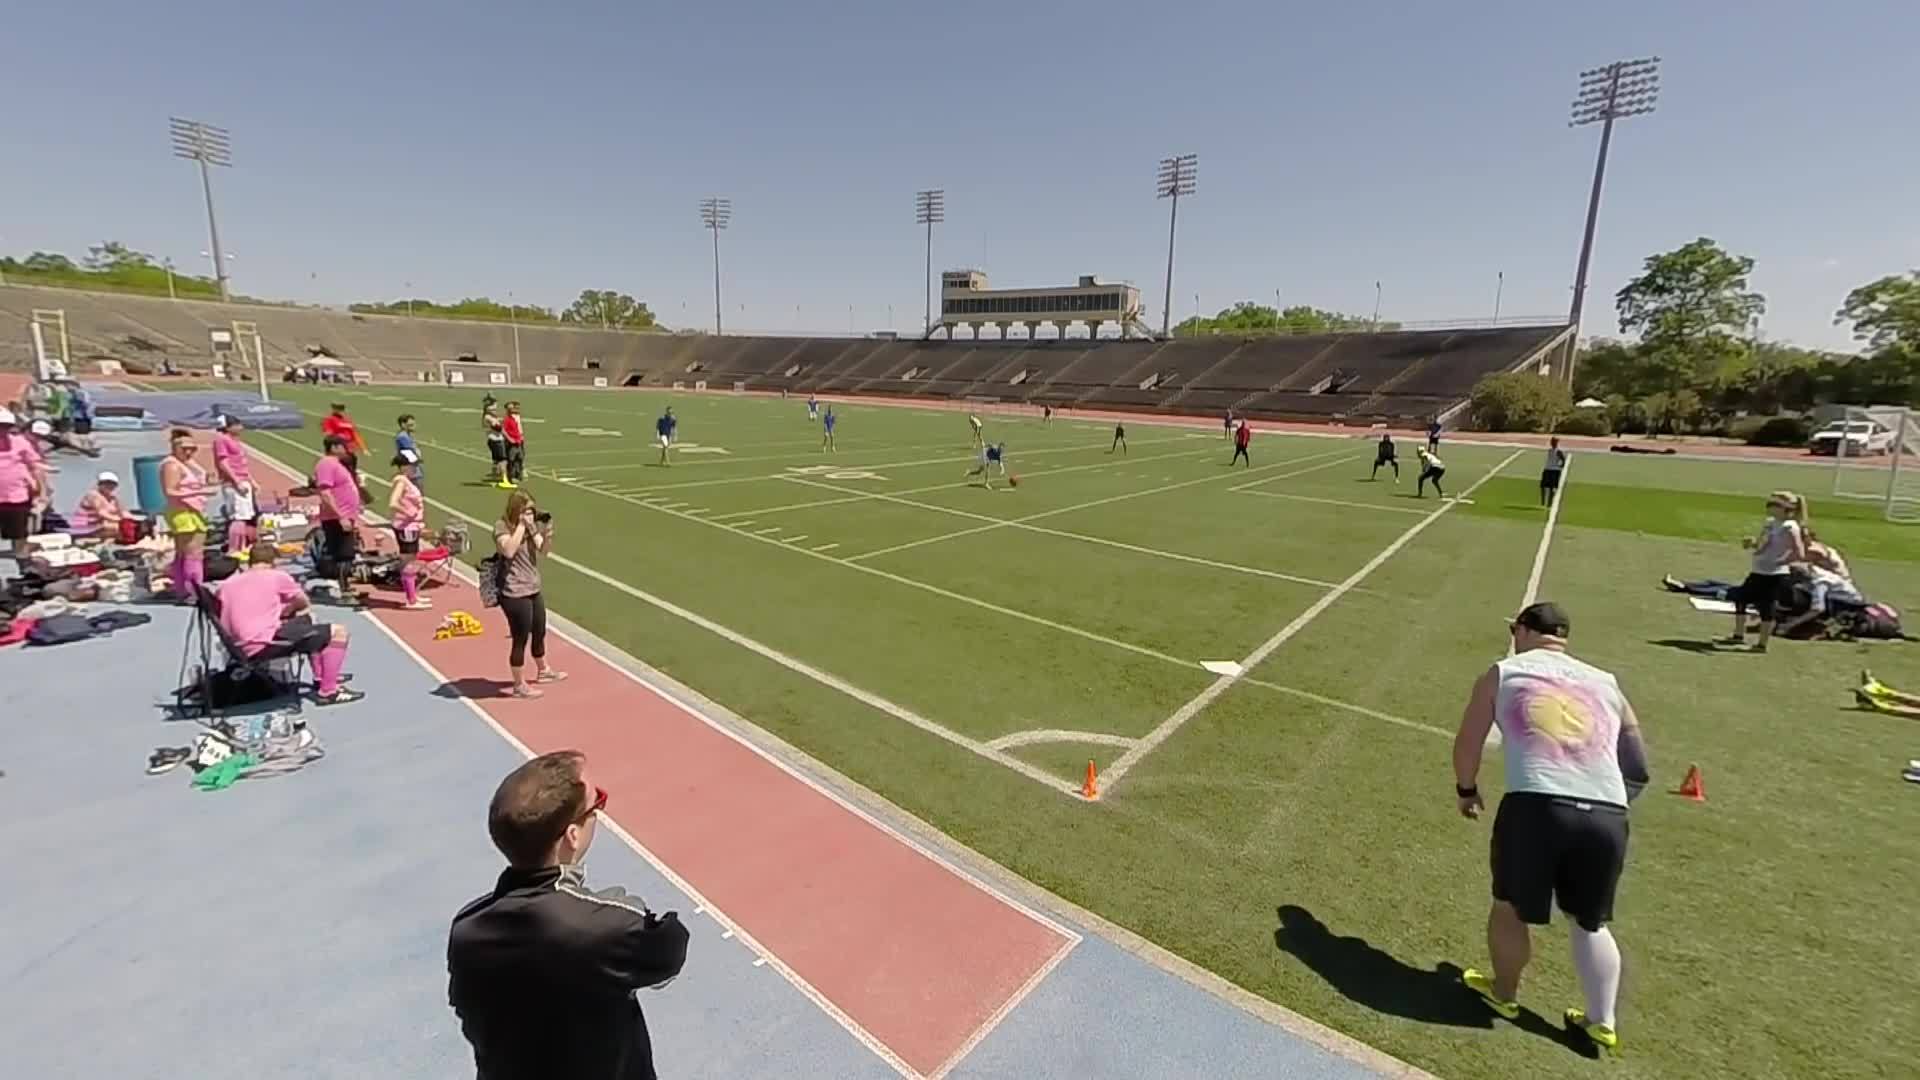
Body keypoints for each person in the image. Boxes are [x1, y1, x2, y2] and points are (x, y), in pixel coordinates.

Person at [1452, 602, 1650, 1059]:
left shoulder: (1503, 672)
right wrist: (1607, 802)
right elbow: (1637, 765)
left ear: (1521, 631)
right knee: (1591, 921)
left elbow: (1469, 740)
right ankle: (1603, 1021)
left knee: (1509, 907)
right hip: (1606, 815)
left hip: (1537, 806)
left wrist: (1467, 789)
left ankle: (1504, 994)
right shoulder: (1607, 683)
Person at [448, 750, 689, 1080]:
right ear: (572, 836)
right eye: (597, 802)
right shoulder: (609, 924)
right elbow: (670, 948)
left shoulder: (466, 927)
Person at [218, 541, 363, 705]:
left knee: (308, 622)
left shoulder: (228, 584)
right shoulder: (277, 577)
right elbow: (304, 603)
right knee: (338, 632)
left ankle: (321, 677)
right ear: (273, 562)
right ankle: (329, 691)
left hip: (237, 646)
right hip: (261, 644)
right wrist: (287, 610)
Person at [493, 490, 565, 698]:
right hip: (515, 592)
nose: (530, 514)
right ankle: (518, 684)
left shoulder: (530, 527)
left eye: (532, 510)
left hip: (533, 588)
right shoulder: (502, 527)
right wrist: (522, 526)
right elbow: (508, 550)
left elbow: (544, 551)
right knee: (520, 637)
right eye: (526, 510)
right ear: (517, 509)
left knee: (540, 629)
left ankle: (543, 670)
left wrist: (546, 533)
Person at [1722, 491, 1808, 653]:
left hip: (1773, 575)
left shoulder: (1790, 528)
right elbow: (1763, 544)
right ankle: (1738, 635)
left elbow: (1799, 553)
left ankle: (1762, 644)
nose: (1769, 508)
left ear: (1785, 509)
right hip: (1759, 570)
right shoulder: (1770, 522)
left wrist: (1780, 562)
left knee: (1766, 608)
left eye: (1774, 505)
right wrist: (1752, 543)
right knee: (1741, 599)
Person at [160, 429, 213, 602]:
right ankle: (193, 591)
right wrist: (200, 492)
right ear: (175, 447)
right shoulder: (172, 465)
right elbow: (170, 491)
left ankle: (183, 588)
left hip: (193, 511)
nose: (189, 452)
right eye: (185, 448)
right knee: (193, 553)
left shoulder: (188, 463)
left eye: (193, 448)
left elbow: (201, 477)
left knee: (185, 553)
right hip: (183, 513)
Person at [313, 435, 364, 605]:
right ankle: (345, 593)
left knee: (346, 554)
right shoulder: (326, 464)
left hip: (344, 516)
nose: (346, 450)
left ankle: (346, 588)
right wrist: (341, 516)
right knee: (345, 555)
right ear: (334, 447)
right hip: (337, 518)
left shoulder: (335, 464)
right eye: (343, 446)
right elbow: (325, 493)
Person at [389, 453, 431, 611]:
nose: (415, 468)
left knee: (411, 559)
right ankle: (411, 600)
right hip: (406, 527)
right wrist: (408, 514)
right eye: (413, 465)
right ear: (404, 466)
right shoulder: (401, 481)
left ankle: (413, 596)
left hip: (411, 526)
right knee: (409, 561)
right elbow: (393, 502)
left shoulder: (406, 481)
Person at [0, 407, 43, 560]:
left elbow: (35, 467)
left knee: (18, 534)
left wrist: (41, 492)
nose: (3, 430)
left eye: (7, 426)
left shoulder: (20, 443)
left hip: (16, 496)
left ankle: (22, 565)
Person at [212, 415, 257, 555]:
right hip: (234, 483)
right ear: (228, 427)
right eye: (237, 424)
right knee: (238, 517)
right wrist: (236, 481)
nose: (241, 427)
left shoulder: (234, 441)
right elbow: (223, 462)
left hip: (242, 480)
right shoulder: (221, 440)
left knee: (244, 516)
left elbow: (241, 463)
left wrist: (251, 480)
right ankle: (234, 549)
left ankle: (241, 546)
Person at [71, 471, 127, 540]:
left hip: (99, 525)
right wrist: (120, 520)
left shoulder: (113, 498)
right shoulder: (93, 495)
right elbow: (102, 513)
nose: (109, 486)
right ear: (100, 484)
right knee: (119, 528)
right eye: (106, 483)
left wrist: (132, 520)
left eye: (113, 484)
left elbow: (123, 512)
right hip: (86, 527)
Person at [321, 402, 367, 475]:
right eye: (337, 408)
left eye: (341, 409)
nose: (339, 411)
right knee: (338, 470)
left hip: (350, 450)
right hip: (339, 450)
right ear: (333, 409)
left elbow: (355, 435)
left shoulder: (348, 421)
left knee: (351, 469)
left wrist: (363, 448)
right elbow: (329, 435)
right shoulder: (329, 420)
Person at [395, 413, 426, 492]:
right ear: (403, 425)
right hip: (410, 468)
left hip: (411, 467)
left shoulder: (407, 435)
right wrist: (417, 461)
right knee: (417, 491)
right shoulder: (403, 437)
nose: (413, 426)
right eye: (410, 425)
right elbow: (408, 451)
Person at [502, 401, 528, 487]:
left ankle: (518, 475)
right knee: (511, 460)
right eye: (510, 408)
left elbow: (518, 429)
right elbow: (503, 430)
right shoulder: (507, 419)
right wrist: (510, 439)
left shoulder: (514, 418)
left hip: (518, 441)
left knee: (520, 458)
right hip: (512, 443)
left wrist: (520, 437)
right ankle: (511, 477)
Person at [483, 402, 508, 486]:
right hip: (496, 440)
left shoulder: (491, 417)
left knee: (496, 461)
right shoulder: (488, 417)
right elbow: (498, 428)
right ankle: (504, 480)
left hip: (493, 440)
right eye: (493, 409)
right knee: (503, 461)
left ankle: (494, 479)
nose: (496, 411)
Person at [1541, 437, 1568, 507]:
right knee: (1543, 486)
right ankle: (1543, 502)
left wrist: (1560, 466)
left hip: (1554, 470)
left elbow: (1563, 459)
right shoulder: (1550, 450)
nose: (1552, 443)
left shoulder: (1558, 451)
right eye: (1552, 441)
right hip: (1547, 469)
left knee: (1552, 488)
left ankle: (1549, 503)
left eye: (1554, 442)